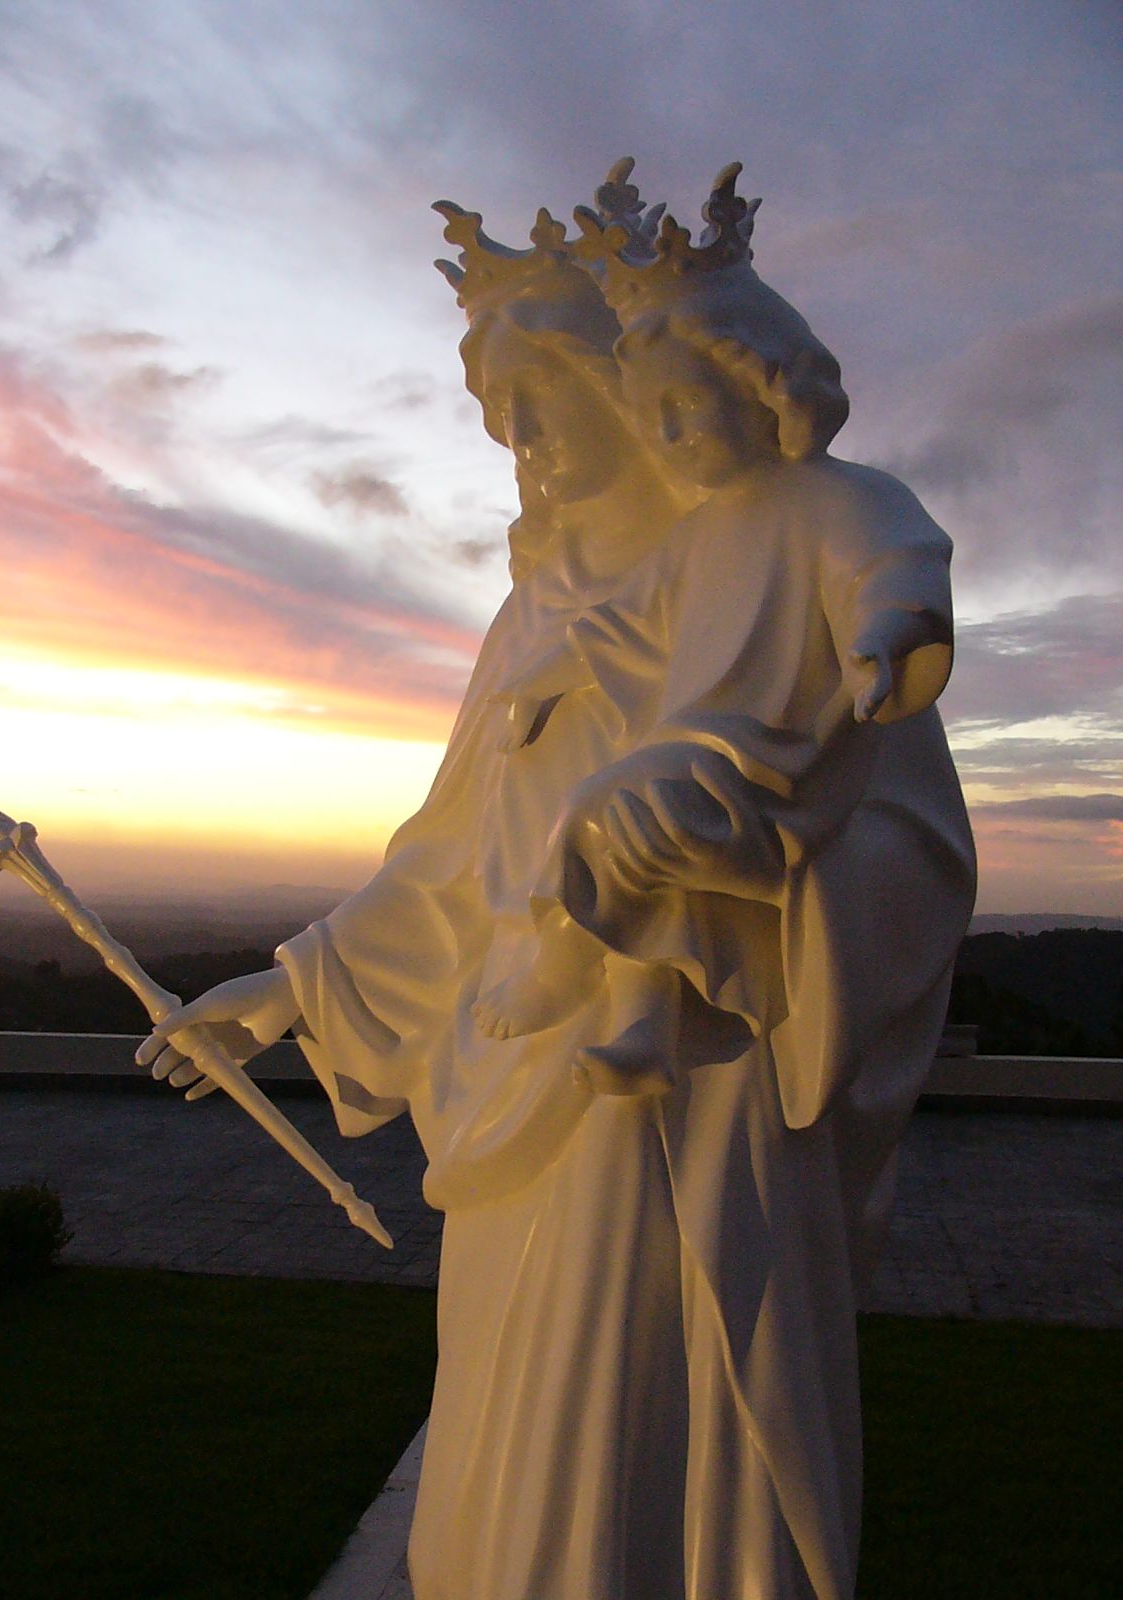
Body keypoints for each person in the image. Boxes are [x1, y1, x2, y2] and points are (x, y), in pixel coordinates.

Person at [139, 164, 976, 1599]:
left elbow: (907, 846)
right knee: (499, 1486)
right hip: (520, 1076)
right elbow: (454, 860)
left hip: (690, 1092)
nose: (520, 435)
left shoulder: (781, 564)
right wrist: (288, 991)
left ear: (628, 388)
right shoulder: (530, 619)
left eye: (546, 394)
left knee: (645, 1463)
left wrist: (754, 891)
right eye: (498, 408)